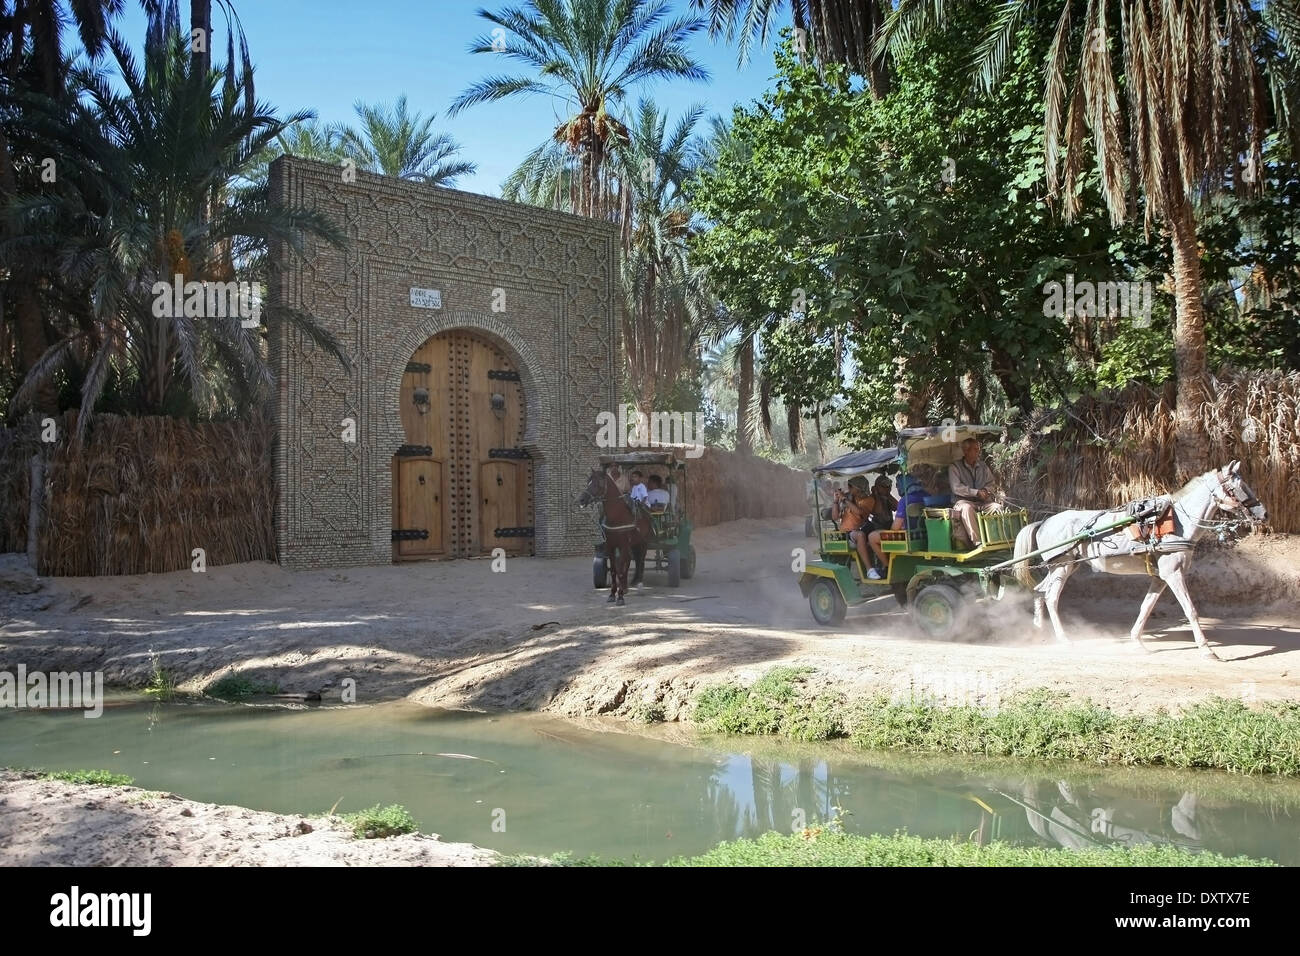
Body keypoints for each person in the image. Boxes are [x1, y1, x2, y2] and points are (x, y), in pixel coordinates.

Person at [867, 465, 932, 578]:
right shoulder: (927, 495)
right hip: (925, 534)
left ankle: (887, 567)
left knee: (872, 537)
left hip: (907, 536)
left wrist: (890, 530)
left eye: (897, 485)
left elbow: (895, 528)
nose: (896, 488)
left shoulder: (905, 499)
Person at [948, 438, 998, 547]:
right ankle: (977, 542)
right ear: (966, 451)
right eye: (975, 450)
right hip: (963, 502)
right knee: (967, 509)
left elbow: (991, 483)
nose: (978, 452)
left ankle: (996, 539)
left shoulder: (983, 467)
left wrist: (985, 491)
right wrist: (976, 492)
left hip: (982, 503)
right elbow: (956, 487)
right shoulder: (955, 467)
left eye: (978, 449)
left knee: (996, 507)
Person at [832, 476, 876, 575]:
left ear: (859, 487)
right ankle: (870, 569)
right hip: (845, 534)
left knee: (861, 534)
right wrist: (836, 501)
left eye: (851, 486)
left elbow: (859, 512)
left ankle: (872, 569)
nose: (849, 488)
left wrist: (845, 500)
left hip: (858, 530)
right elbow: (835, 517)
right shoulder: (848, 498)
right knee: (859, 535)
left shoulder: (868, 500)